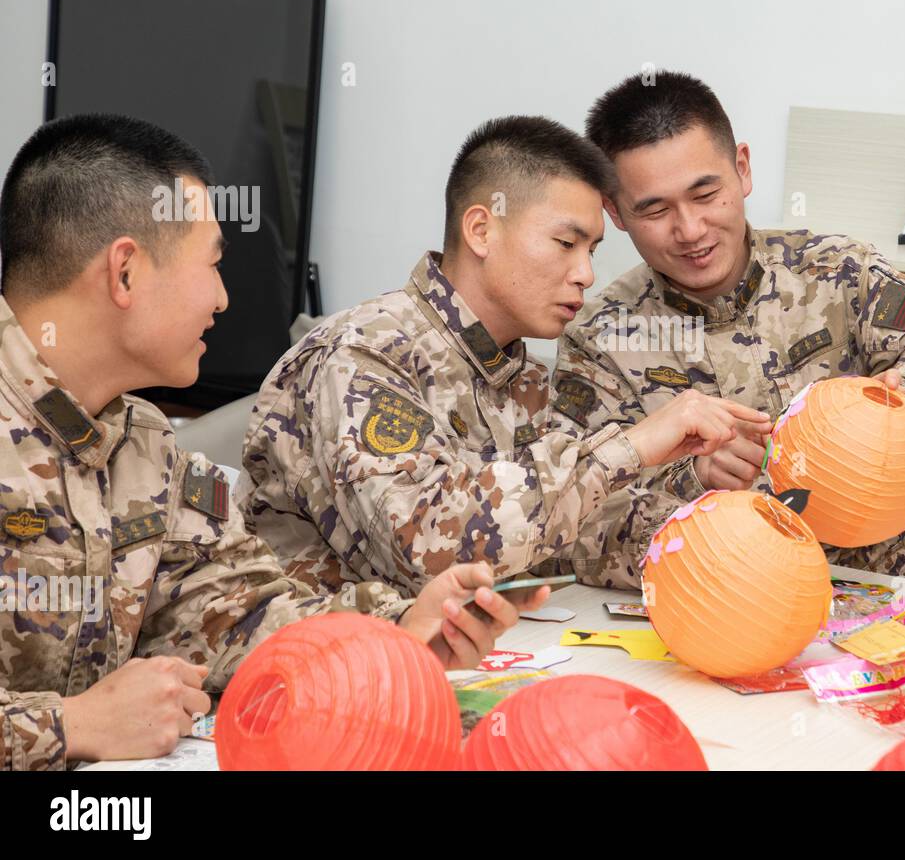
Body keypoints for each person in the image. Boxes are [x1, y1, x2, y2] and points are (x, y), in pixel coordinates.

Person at [0, 114, 537, 770]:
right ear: (126, 274)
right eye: (213, 264)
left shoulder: (140, 442)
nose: (223, 299)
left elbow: (236, 614)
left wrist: (402, 630)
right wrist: (73, 725)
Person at [238, 115, 767, 596]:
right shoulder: (361, 356)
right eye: (566, 243)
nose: (586, 274)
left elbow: (574, 533)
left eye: (593, 251)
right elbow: (425, 546)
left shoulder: (523, 378)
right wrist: (632, 446)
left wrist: (718, 539)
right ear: (481, 230)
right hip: (325, 672)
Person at [551, 71, 905, 580]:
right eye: (654, 209)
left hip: (866, 601)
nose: (690, 230)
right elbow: (577, 536)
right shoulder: (600, 341)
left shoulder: (839, 274)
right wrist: (694, 483)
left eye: (705, 194)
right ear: (615, 212)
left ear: (742, 170)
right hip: (715, 606)